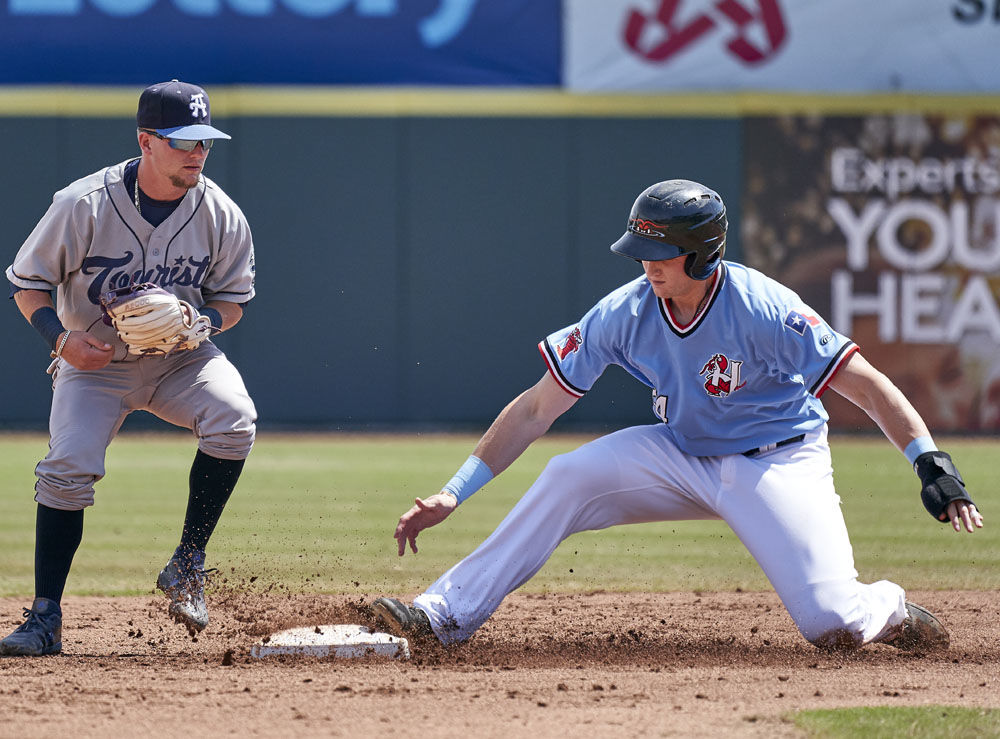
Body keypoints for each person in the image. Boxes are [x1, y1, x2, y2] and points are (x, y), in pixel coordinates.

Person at [373, 179, 984, 651]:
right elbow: (537, 408)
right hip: (681, 453)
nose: (646, 264)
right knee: (567, 475)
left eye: (660, 251)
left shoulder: (765, 309)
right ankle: (443, 614)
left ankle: (889, 607)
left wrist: (930, 463)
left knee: (833, 626)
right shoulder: (626, 311)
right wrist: (455, 492)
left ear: (702, 252)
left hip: (776, 462)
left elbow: (868, 385)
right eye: (641, 250)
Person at [1, 80, 257, 656]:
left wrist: (204, 325)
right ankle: (44, 619)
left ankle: (188, 564)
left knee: (235, 419)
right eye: (184, 140)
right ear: (146, 140)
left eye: (205, 142)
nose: (198, 153)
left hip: (180, 359)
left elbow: (234, 299)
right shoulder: (80, 204)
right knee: (67, 468)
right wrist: (61, 339)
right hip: (96, 362)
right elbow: (26, 283)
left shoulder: (219, 212)